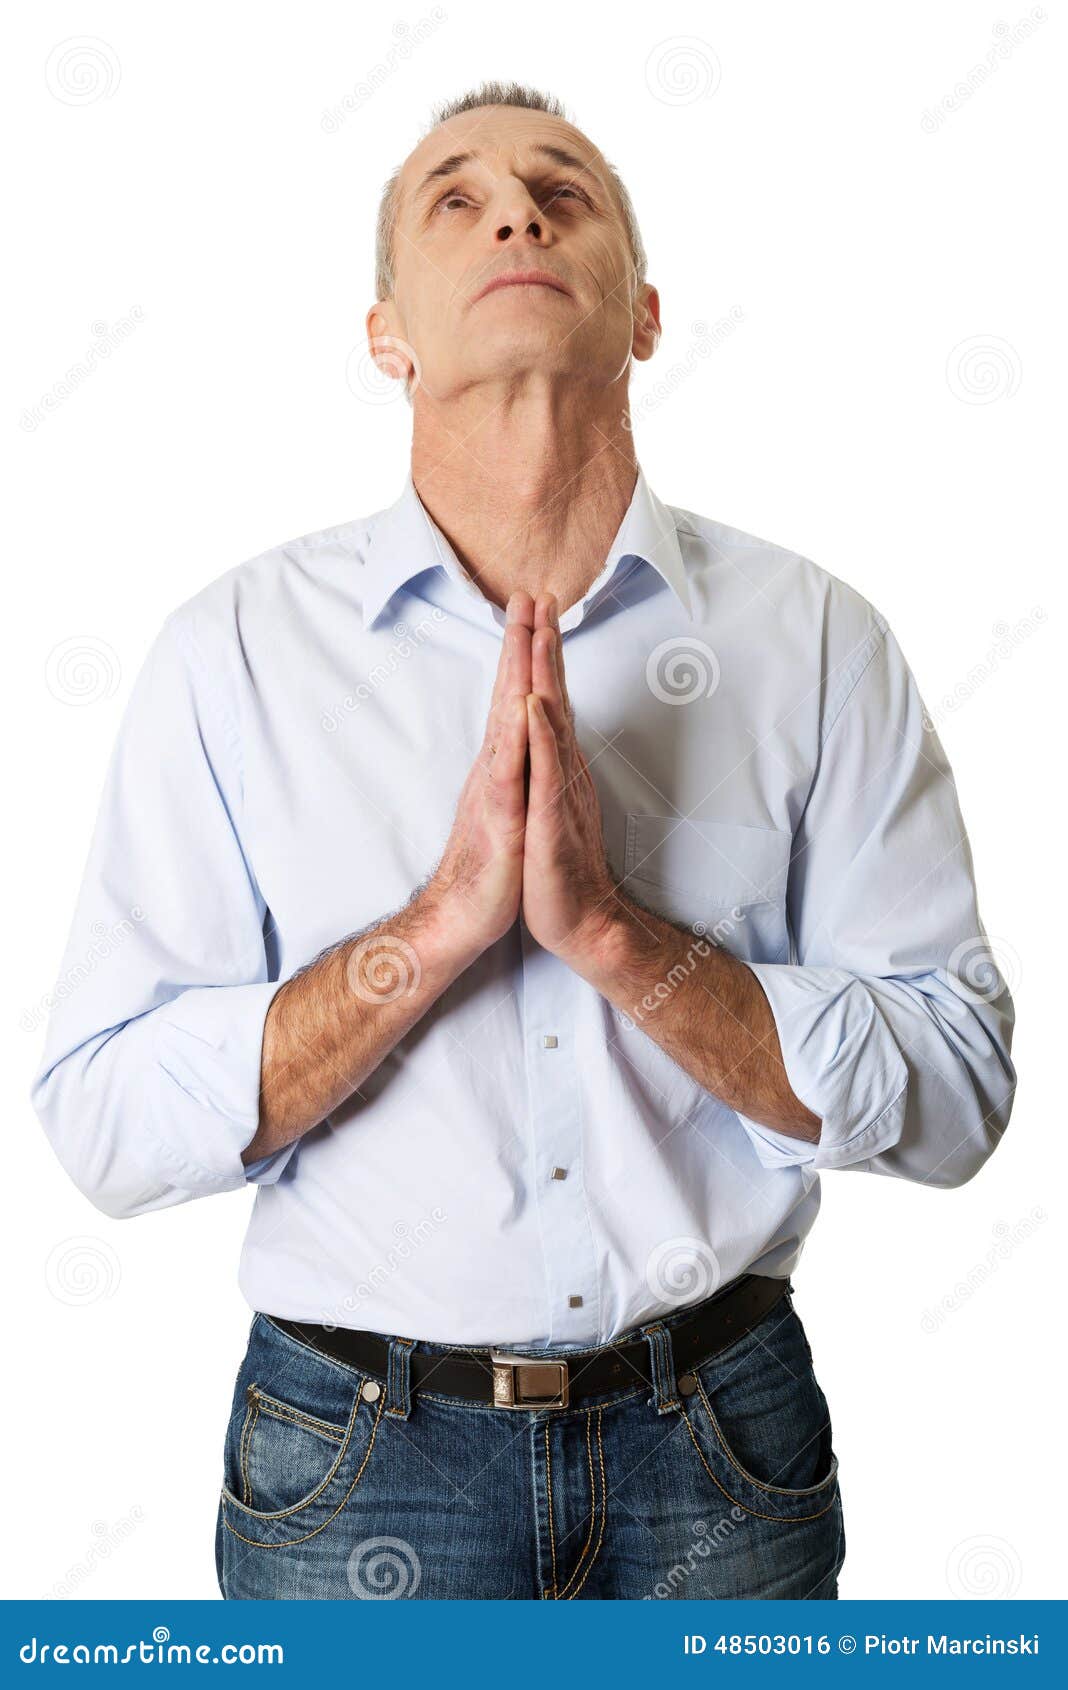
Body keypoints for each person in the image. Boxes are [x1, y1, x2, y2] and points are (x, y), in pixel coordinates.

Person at [32, 82, 1015, 1601]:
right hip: (357, 1452)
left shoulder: (815, 641)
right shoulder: (232, 655)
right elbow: (100, 1119)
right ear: (387, 336)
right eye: (457, 197)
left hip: (722, 1455)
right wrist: (433, 931)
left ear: (644, 313)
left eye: (567, 192)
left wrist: (622, 941)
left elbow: (959, 1090)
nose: (517, 211)